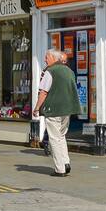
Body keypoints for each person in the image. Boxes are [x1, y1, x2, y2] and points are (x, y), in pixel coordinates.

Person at [33, 49, 83, 177]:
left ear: (53, 58)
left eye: (46, 57)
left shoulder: (50, 72)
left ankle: (60, 169)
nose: (45, 59)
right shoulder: (69, 71)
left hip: (54, 109)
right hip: (67, 110)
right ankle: (66, 163)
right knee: (61, 137)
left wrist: (37, 108)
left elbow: (43, 92)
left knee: (54, 139)